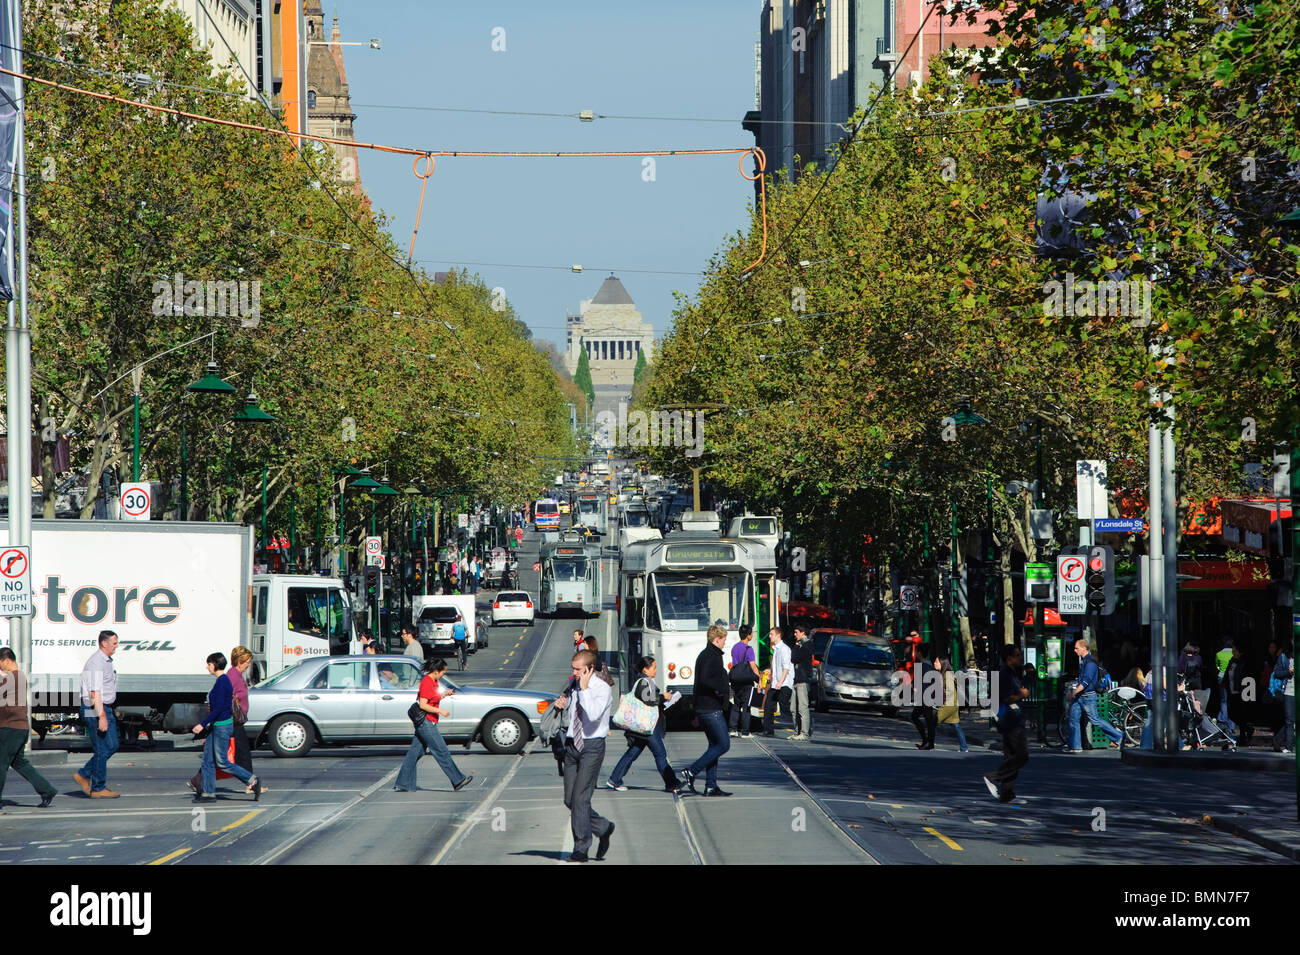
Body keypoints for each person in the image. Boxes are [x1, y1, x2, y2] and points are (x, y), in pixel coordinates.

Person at [554, 649, 616, 862]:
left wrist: (584, 689)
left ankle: (581, 848)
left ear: (590, 668)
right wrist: (563, 703)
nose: (574, 673)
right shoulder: (573, 685)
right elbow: (572, 715)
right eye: (573, 669)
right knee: (570, 800)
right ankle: (603, 826)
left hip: (592, 746)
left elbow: (593, 714)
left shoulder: (602, 689)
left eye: (579, 670)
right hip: (572, 746)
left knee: (581, 798)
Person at [395, 658, 474, 792]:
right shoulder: (427, 682)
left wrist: (444, 695)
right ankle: (458, 780)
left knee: (415, 753)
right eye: (443, 672)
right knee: (441, 751)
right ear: (436, 671)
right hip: (426, 722)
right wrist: (441, 711)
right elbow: (423, 704)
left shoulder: (433, 681)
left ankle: (404, 783)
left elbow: (432, 699)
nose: (444, 674)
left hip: (427, 721)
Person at [190, 652, 260, 800]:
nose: (207, 667)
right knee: (208, 760)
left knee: (222, 762)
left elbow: (220, 708)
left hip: (222, 726)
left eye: (209, 664)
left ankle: (252, 780)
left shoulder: (223, 682)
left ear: (214, 665)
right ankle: (208, 793)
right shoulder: (221, 681)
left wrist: (202, 724)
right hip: (216, 726)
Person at [605, 655, 677, 792]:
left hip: (642, 726)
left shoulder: (644, 680)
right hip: (647, 725)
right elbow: (649, 699)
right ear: (645, 669)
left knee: (633, 752)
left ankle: (614, 779)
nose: (656, 670)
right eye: (654, 668)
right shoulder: (644, 681)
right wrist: (664, 697)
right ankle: (672, 783)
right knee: (660, 754)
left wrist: (667, 701)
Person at [676, 625, 732, 796]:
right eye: (723, 640)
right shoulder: (711, 656)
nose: (724, 643)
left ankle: (710, 786)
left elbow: (697, 683)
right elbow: (705, 680)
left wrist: (695, 710)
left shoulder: (706, 655)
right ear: (717, 639)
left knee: (713, 746)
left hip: (704, 707)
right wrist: (720, 690)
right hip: (711, 708)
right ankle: (691, 771)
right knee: (723, 744)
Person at [0, 648, 56, 807]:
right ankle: (47, 790)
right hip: (19, 727)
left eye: (0, 664)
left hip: (10, 728)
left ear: (6, 660)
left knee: (1, 764)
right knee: (20, 763)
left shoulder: (14, 677)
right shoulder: (17, 677)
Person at [75, 630, 121, 798]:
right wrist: (101, 716)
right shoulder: (96, 663)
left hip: (103, 706)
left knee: (112, 745)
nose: (116, 646)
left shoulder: (106, 661)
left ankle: (84, 774)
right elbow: (94, 693)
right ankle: (98, 787)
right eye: (114, 643)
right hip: (94, 707)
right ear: (104, 643)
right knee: (102, 748)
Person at [984, 644, 1029, 802]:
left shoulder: (1011, 673)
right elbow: (1005, 698)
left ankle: (1007, 794)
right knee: (1022, 756)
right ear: (1009, 658)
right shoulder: (1005, 675)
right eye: (1017, 655)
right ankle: (993, 777)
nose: (1020, 658)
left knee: (1011, 757)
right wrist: (1021, 695)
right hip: (1011, 720)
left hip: (1011, 719)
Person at [1065, 637, 1124, 752]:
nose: (1074, 650)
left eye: (1076, 648)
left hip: (1087, 696)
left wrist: (1074, 692)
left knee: (1095, 720)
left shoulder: (1090, 663)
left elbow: (1086, 681)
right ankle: (1075, 746)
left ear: (1083, 648)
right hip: (1080, 696)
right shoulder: (1084, 661)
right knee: (1073, 719)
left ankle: (1119, 736)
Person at [728, 624, 760, 737]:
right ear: (749, 635)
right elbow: (753, 666)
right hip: (747, 681)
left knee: (736, 705)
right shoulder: (749, 649)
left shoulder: (735, 647)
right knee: (746, 706)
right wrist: (759, 679)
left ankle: (732, 729)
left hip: (736, 680)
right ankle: (745, 731)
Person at [762, 626, 793, 737]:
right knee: (768, 705)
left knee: (785, 707)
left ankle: (803, 723)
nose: (769, 636)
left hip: (783, 683)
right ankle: (768, 730)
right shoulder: (775, 649)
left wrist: (780, 681)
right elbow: (776, 666)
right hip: (775, 684)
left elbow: (786, 668)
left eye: (771, 634)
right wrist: (770, 671)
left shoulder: (784, 649)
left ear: (778, 635)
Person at [936, 656, 970, 753]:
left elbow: (950, 693)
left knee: (933, 721)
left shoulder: (947, 675)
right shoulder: (942, 674)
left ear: (942, 664)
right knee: (955, 725)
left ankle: (928, 742)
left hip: (950, 705)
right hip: (952, 704)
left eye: (936, 661)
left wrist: (945, 707)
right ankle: (964, 747)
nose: (934, 663)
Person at [789, 626, 815, 741]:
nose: (795, 634)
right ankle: (796, 731)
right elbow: (794, 658)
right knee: (793, 708)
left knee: (802, 708)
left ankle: (804, 732)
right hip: (796, 679)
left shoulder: (807, 645)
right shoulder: (800, 645)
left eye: (796, 632)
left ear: (803, 633)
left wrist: (796, 647)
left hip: (803, 679)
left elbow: (795, 658)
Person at [911, 645, 938, 750]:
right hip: (928, 696)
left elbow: (920, 684)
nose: (916, 654)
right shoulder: (929, 665)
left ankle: (928, 741)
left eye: (917, 652)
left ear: (919, 653)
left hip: (924, 697)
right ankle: (928, 742)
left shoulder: (922, 666)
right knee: (928, 720)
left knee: (919, 718)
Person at [1274, 642, 1295, 754]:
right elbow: (1276, 673)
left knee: (1292, 720)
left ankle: (1278, 739)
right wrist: (1288, 672)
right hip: (1289, 691)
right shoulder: (1284, 657)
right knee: (1289, 720)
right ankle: (1289, 746)